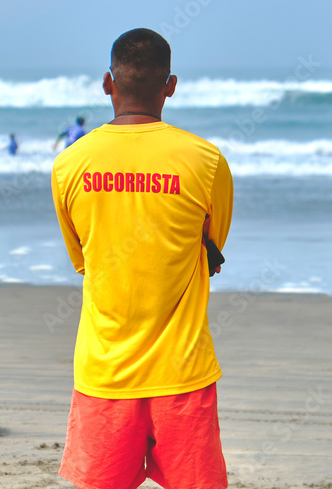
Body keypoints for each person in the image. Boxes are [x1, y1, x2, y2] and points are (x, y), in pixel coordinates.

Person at [51, 28, 234, 489]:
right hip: (182, 371)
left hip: (105, 370)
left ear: (108, 83)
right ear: (170, 85)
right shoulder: (205, 160)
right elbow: (211, 253)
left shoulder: (70, 164)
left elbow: (84, 259)